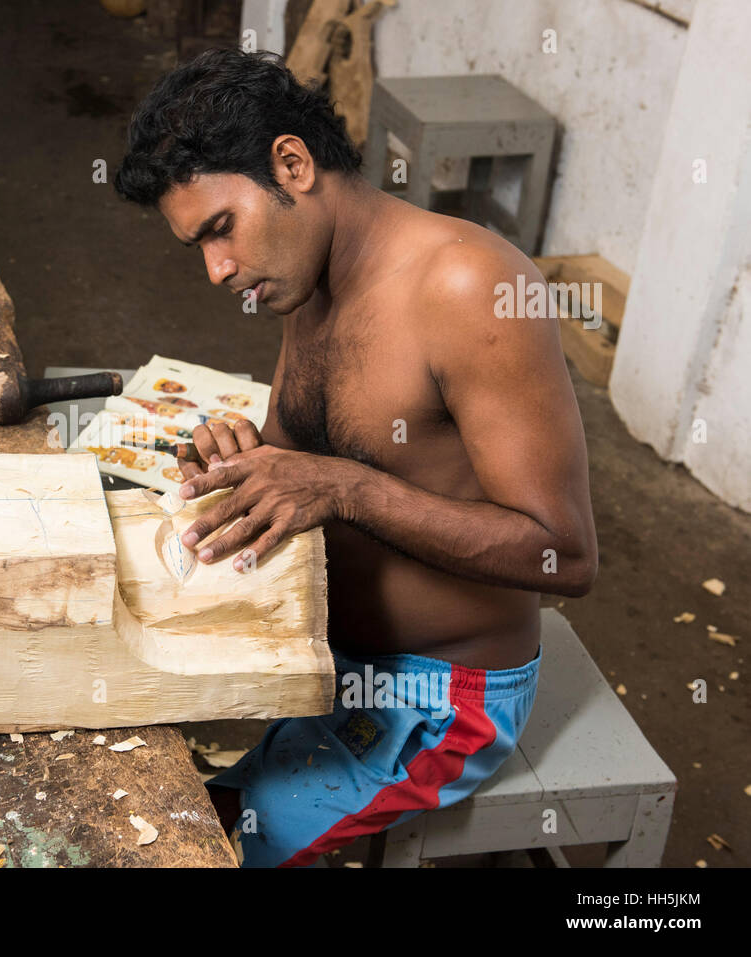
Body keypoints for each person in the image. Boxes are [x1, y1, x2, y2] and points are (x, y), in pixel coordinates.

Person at [114, 48, 596, 867]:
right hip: (317, 655)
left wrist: (347, 488)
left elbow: (565, 553)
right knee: (145, 799)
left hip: (438, 699)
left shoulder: (467, 286)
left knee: (209, 853)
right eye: (197, 246)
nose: (217, 270)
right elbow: (305, 454)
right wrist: (244, 454)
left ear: (292, 164)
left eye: (220, 231)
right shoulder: (305, 276)